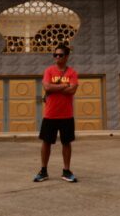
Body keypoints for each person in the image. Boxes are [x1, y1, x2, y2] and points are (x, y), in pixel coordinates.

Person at [33, 43, 79, 183]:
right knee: (46, 142)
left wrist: (55, 88)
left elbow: (72, 90)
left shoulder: (72, 72)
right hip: (50, 114)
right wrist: (64, 85)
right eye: (55, 55)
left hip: (66, 115)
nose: (57, 57)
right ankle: (43, 170)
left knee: (66, 143)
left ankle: (66, 170)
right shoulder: (49, 71)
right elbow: (46, 86)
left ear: (67, 56)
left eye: (60, 55)